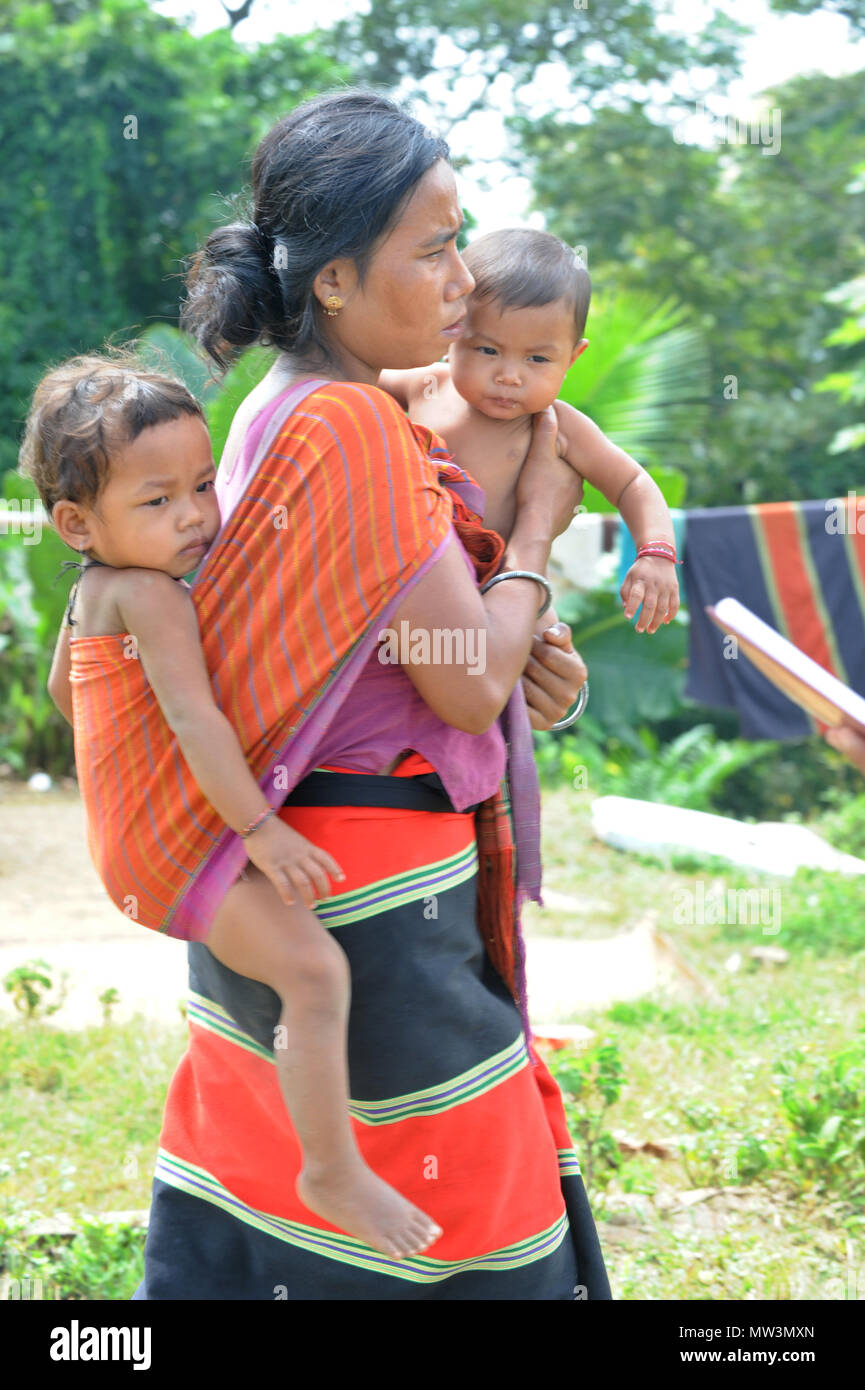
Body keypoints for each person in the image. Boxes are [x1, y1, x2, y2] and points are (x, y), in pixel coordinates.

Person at [42, 88, 610, 1299]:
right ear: (338, 279)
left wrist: (518, 656)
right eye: (434, 245)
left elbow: (402, 659)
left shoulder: (272, 409)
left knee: (268, 1217)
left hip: (283, 860)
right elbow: (462, 688)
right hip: (366, 885)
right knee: (468, 1235)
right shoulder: (354, 425)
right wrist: (536, 543)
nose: (464, 278)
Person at [21, 350, 448, 1261]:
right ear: (74, 520)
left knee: (296, 971)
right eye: (157, 500)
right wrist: (255, 825)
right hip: (170, 846)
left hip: (127, 843)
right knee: (315, 974)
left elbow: (70, 695)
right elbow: (197, 719)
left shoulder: (90, 591)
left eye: (204, 486)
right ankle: (330, 1168)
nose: (193, 517)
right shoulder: (152, 598)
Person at [379, 227, 680, 635]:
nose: (509, 376)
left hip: (506, 585)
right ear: (452, 331)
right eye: (487, 350)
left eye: (537, 358)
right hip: (416, 579)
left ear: (572, 358)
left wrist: (656, 552)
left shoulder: (557, 424)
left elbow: (633, 482)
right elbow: (342, 380)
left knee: (547, 650)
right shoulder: (424, 385)